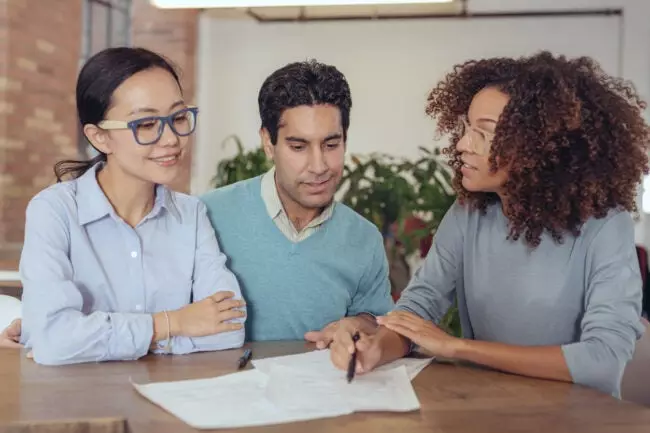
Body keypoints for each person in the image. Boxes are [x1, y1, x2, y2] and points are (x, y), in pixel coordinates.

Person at [328, 51, 649, 397]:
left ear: (538, 147)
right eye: (466, 128)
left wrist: (458, 348)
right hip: (487, 405)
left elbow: (603, 360)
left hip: (575, 416)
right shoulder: (468, 213)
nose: (463, 145)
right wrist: (377, 346)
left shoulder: (605, 225)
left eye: (485, 133)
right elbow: (419, 306)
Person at [14, 47, 246, 365]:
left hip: (171, 403)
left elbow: (229, 329)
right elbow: (54, 340)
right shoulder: (54, 212)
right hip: (80, 404)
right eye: (147, 124)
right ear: (99, 138)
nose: (171, 139)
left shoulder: (191, 215)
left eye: (178, 117)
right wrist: (171, 323)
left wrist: (91, 337)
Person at [200, 60, 395, 343]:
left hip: (324, 384)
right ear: (268, 143)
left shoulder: (364, 239)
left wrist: (357, 323)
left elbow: (376, 321)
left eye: (331, 145)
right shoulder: (208, 217)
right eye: (298, 147)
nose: (319, 166)